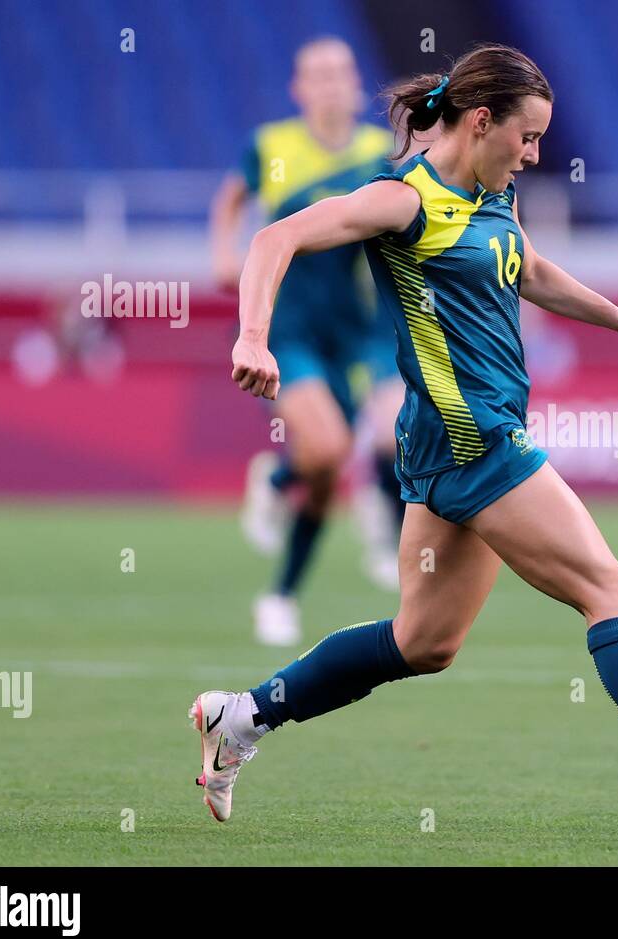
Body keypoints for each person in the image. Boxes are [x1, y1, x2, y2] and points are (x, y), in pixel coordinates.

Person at [190, 43, 618, 829]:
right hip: (473, 441)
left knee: (423, 642)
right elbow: (273, 239)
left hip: (447, 444)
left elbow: (530, 268)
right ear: (481, 121)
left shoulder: (490, 195)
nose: (536, 154)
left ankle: (238, 718)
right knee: (612, 592)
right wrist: (251, 337)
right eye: (528, 137)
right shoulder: (401, 199)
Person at [209, 36, 405, 645]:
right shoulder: (272, 147)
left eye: (342, 73)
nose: (331, 84)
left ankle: (312, 574)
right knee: (323, 453)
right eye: (318, 75)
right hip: (289, 327)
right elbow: (232, 197)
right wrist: (224, 252)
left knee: (389, 435)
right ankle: (280, 529)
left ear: (355, 85)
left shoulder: (381, 152)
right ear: (299, 88)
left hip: (362, 328)